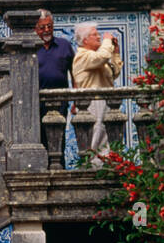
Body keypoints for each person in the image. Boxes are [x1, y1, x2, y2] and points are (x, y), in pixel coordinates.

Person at [72, 22, 122, 156]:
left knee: (105, 139)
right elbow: (102, 56)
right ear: (85, 40)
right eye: (95, 34)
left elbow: (113, 73)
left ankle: (105, 167)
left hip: (104, 102)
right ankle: (93, 170)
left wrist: (115, 54)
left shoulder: (95, 57)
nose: (99, 37)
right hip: (91, 104)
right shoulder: (83, 56)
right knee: (95, 137)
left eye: (99, 34)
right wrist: (107, 41)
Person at [35, 9, 74, 146]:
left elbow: (74, 73)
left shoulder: (64, 45)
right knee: (39, 140)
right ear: (35, 28)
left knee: (58, 140)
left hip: (60, 102)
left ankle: (59, 166)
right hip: (36, 103)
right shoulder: (30, 48)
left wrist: (76, 100)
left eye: (49, 26)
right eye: (42, 27)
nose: (47, 30)